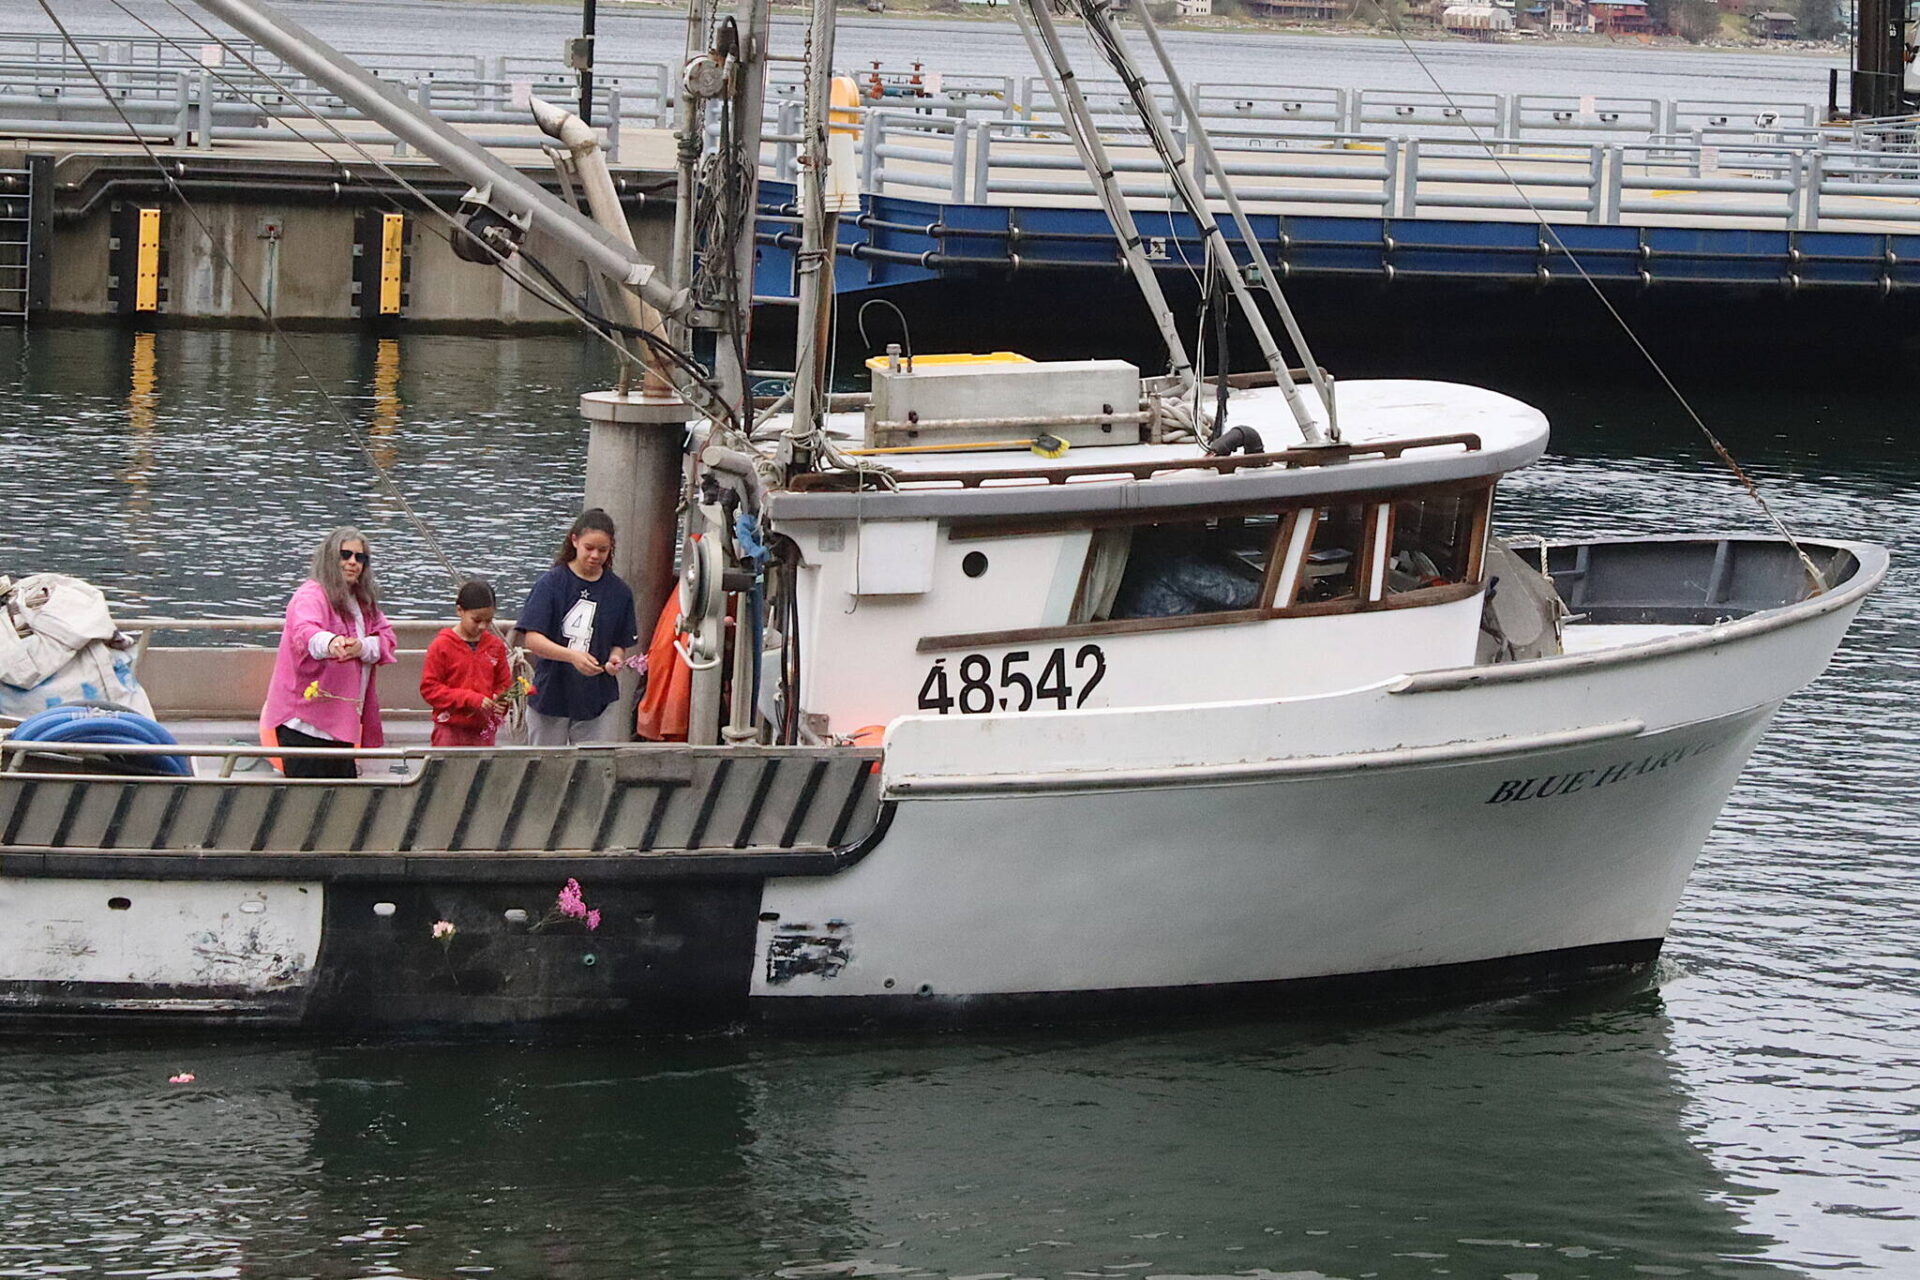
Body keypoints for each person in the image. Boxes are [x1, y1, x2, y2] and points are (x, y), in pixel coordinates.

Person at [259, 527, 397, 779]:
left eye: (360, 557)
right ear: (330, 558)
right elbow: (306, 631)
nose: (353, 562)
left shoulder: (363, 601)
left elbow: (387, 638)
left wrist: (362, 647)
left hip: (342, 724)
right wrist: (331, 642)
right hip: (306, 726)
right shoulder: (309, 596)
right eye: (345, 555)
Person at [516, 508, 637, 745]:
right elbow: (532, 639)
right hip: (552, 692)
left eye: (602, 550)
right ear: (575, 541)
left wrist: (615, 659)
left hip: (596, 697)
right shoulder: (550, 584)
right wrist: (572, 656)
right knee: (546, 764)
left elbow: (619, 642)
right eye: (589, 548)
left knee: (592, 764)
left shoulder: (620, 592)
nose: (595, 555)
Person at [420, 579, 512, 748]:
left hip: (484, 729)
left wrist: (501, 701)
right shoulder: (441, 646)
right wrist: (470, 699)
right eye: (476, 620)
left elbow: (503, 683)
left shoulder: (495, 646)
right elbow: (430, 689)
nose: (483, 626)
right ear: (459, 611)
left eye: (489, 621)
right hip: (449, 728)